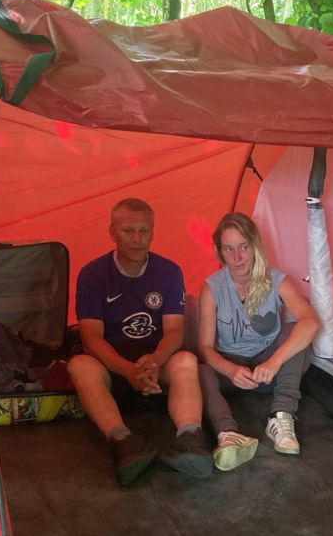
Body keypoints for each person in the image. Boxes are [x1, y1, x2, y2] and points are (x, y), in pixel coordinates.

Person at [68, 198, 213, 485]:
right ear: (112, 233)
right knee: (80, 365)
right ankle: (123, 442)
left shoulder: (169, 272)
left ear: (153, 233)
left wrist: (156, 361)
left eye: (144, 231)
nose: (137, 239)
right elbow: (91, 338)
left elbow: (175, 331)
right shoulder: (92, 275)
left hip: (156, 368)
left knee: (186, 359)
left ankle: (190, 439)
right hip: (114, 370)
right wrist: (127, 371)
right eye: (128, 231)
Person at [197, 212, 321, 471]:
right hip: (232, 373)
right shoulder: (212, 288)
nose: (238, 257)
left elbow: (311, 322)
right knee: (198, 369)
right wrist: (230, 369)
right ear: (220, 253)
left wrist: (274, 362)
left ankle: (281, 417)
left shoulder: (276, 279)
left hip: (267, 370)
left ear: (254, 246)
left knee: (297, 331)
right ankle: (228, 433)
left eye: (243, 247)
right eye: (229, 249)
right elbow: (205, 349)